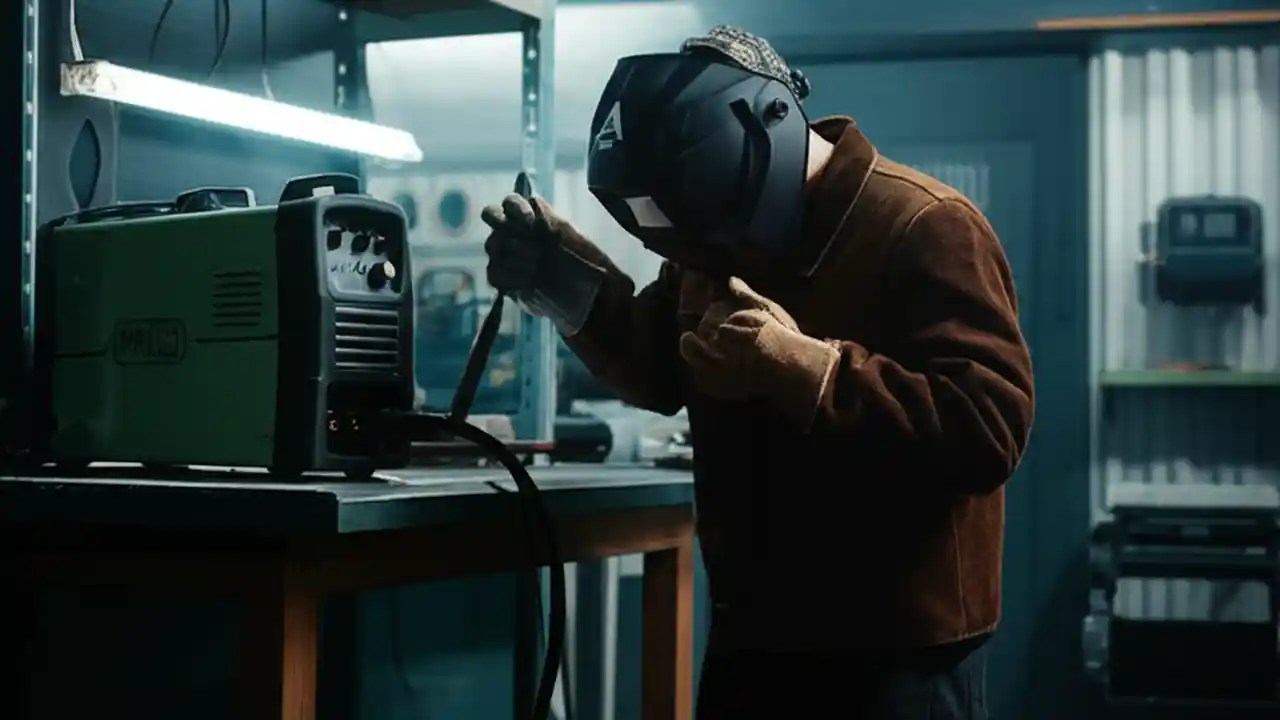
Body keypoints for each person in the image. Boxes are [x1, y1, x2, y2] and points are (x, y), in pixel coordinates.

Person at [482, 25, 1035, 720]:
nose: (700, 260)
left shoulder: (924, 225)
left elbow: (987, 426)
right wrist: (568, 284)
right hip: (756, 638)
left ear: (764, 126)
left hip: (895, 658)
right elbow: (661, 366)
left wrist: (810, 371)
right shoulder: (716, 220)